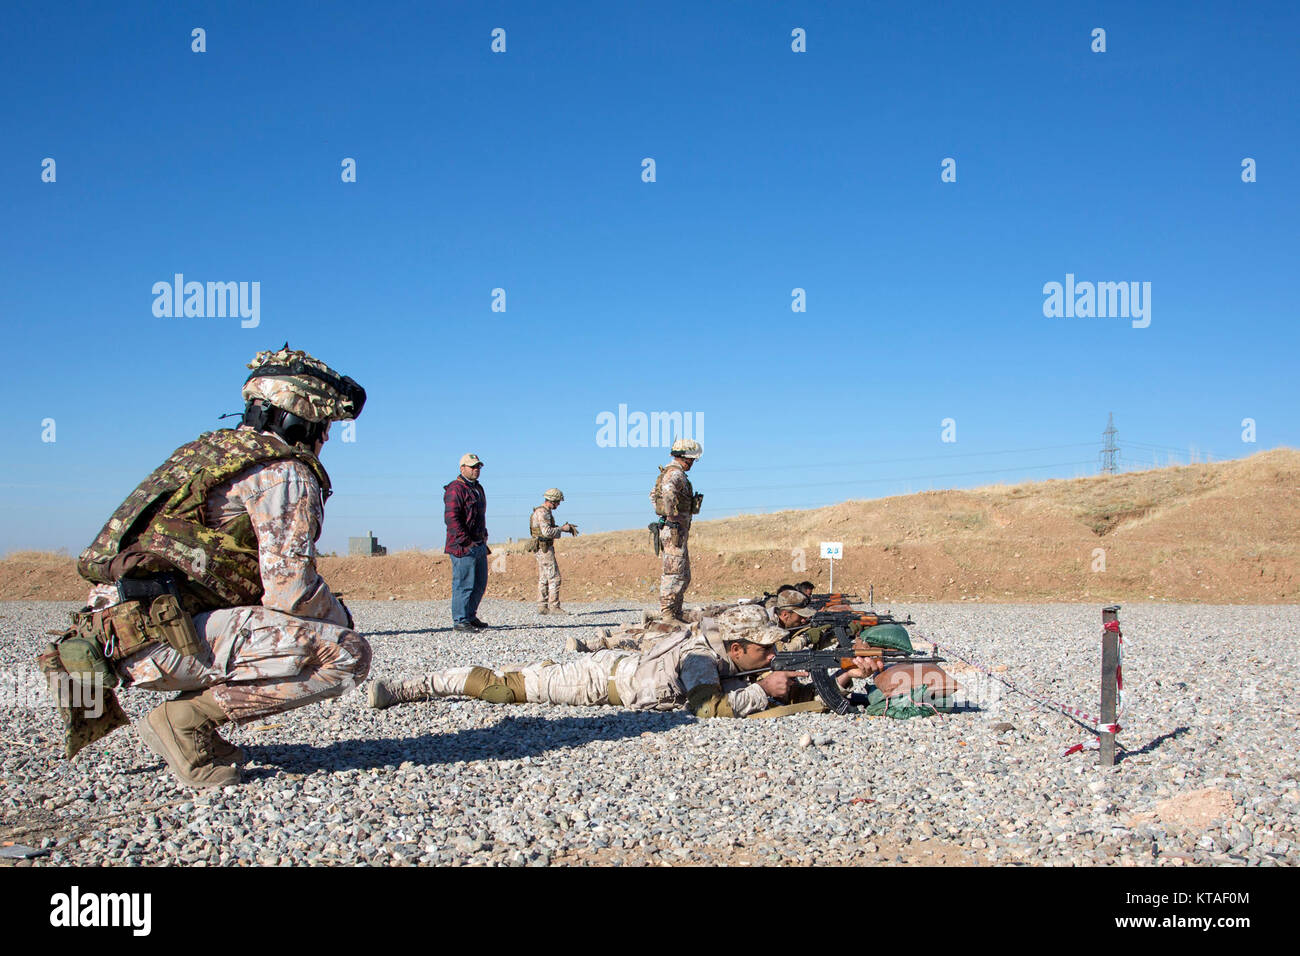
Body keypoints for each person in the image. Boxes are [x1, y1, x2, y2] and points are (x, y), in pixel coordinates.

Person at [45, 346, 371, 788]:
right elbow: (290, 590)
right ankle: (184, 721)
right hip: (161, 641)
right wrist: (337, 617)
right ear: (299, 419)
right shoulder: (283, 472)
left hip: (112, 637)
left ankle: (189, 722)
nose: (326, 438)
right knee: (347, 653)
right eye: (323, 426)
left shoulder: (207, 452)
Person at [368, 604, 885, 717]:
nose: (771, 654)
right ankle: (409, 687)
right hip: (595, 683)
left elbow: (767, 668)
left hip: (617, 666)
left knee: (516, 677)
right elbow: (708, 710)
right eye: (763, 648)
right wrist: (765, 691)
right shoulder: (701, 662)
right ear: (736, 647)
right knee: (503, 686)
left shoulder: (722, 649)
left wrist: (838, 673)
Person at [650, 438, 703, 623]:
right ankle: (667, 616)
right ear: (685, 458)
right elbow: (667, 491)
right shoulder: (675, 474)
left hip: (676, 530)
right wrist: (672, 517)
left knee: (683, 574)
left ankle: (676, 614)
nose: (693, 463)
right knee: (673, 574)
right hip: (674, 531)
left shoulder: (672, 472)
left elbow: (652, 496)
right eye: (692, 460)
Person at [444, 453, 490, 632]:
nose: (476, 470)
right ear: (462, 468)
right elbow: (452, 519)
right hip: (462, 547)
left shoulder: (478, 488)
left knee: (479, 583)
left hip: (478, 544)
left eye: (478, 466)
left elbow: (480, 516)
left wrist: (483, 536)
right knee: (464, 583)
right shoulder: (456, 488)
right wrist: (466, 541)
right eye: (472, 467)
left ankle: (470, 616)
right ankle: (460, 620)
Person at [530, 488, 577, 615]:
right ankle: (554, 606)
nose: (558, 504)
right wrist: (562, 529)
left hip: (541, 548)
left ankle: (542, 606)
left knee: (544, 577)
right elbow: (546, 532)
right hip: (544, 548)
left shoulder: (541, 511)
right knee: (555, 577)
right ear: (552, 500)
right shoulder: (543, 512)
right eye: (557, 502)